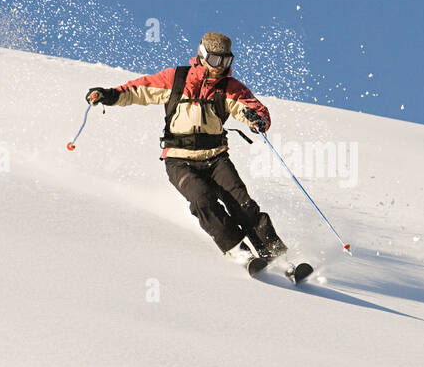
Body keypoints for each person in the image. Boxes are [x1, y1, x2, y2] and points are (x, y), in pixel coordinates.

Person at [86, 32, 287, 266]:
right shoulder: (177, 79)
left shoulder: (229, 87)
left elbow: (250, 108)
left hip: (216, 159)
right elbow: (140, 90)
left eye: (225, 61)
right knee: (203, 200)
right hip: (179, 160)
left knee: (243, 205)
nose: (219, 67)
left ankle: (278, 257)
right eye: (214, 60)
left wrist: (257, 119)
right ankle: (237, 249)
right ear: (202, 56)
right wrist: (109, 95)